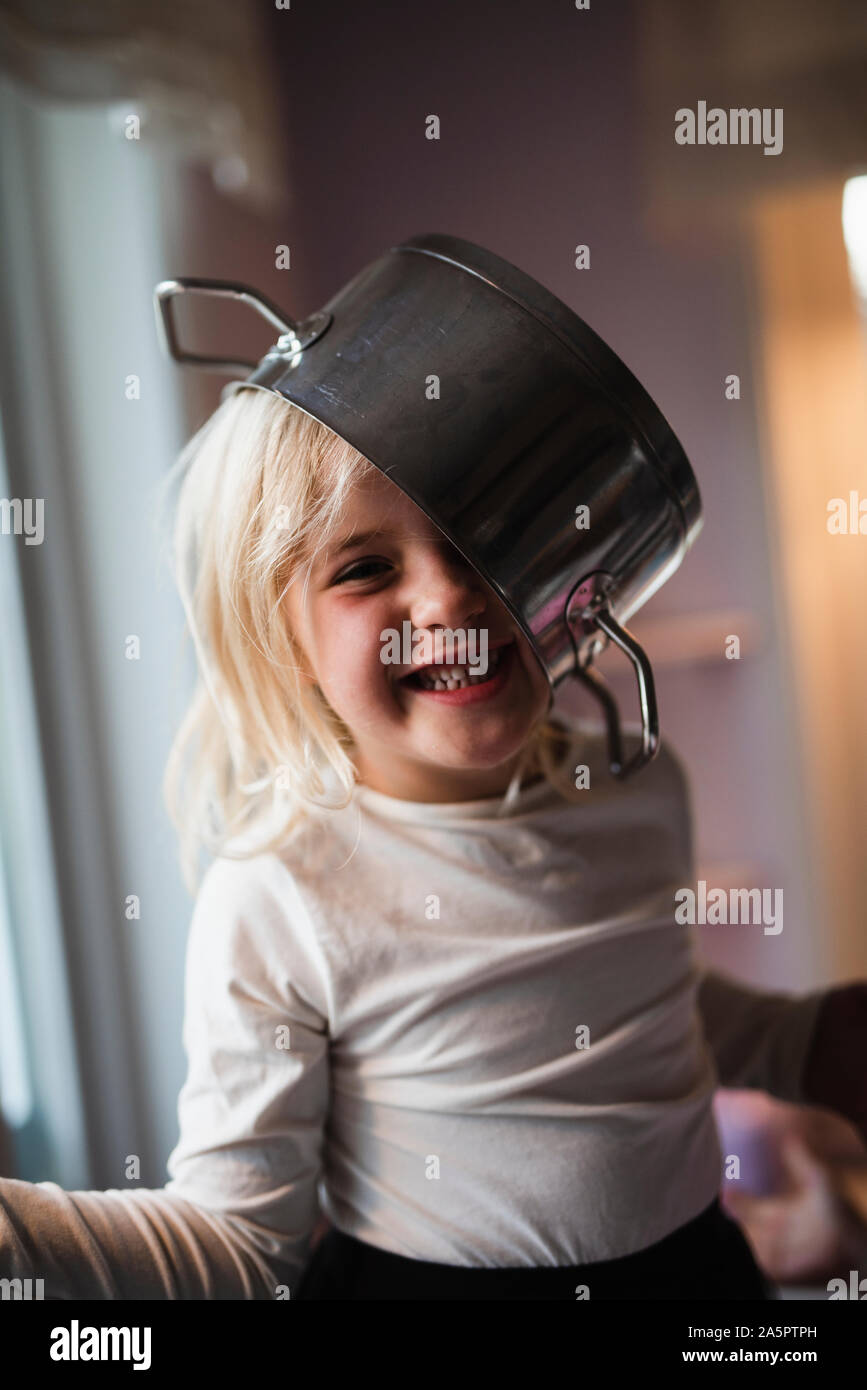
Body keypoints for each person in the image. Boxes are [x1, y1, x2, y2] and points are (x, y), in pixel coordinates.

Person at [0, 389, 864, 1300]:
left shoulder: (636, 784)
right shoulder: (281, 893)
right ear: (283, 638)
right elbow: (241, 1241)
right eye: (366, 567)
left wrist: (795, 1041)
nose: (451, 593)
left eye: (487, 534)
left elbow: (625, 1003)